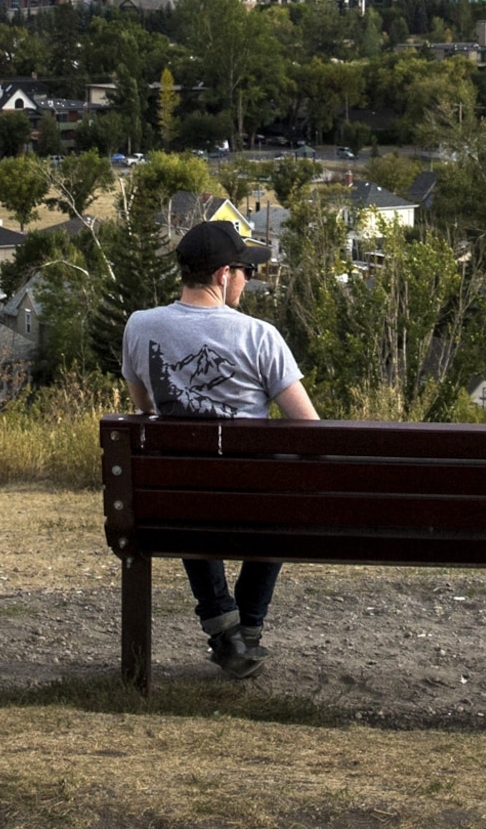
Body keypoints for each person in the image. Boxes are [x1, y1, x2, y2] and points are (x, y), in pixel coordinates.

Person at [120, 218, 319, 679]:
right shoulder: (259, 336)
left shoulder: (139, 326)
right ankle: (246, 628)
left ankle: (225, 630)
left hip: (177, 504)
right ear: (222, 275)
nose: (249, 280)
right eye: (247, 270)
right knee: (277, 501)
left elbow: (144, 407)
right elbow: (309, 428)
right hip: (252, 505)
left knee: (190, 486)